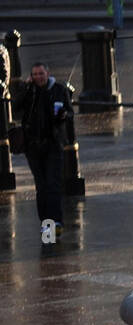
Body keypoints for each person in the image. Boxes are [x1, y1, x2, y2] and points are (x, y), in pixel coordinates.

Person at [14, 62, 72, 237]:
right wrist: (25, 88)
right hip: (33, 146)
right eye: (35, 74)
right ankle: (46, 223)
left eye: (41, 74)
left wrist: (63, 114)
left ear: (48, 73)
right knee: (42, 186)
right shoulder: (29, 91)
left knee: (53, 184)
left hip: (53, 143)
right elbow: (16, 108)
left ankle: (55, 222)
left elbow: (69, 112)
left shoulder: (59, 90)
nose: (38, 77)